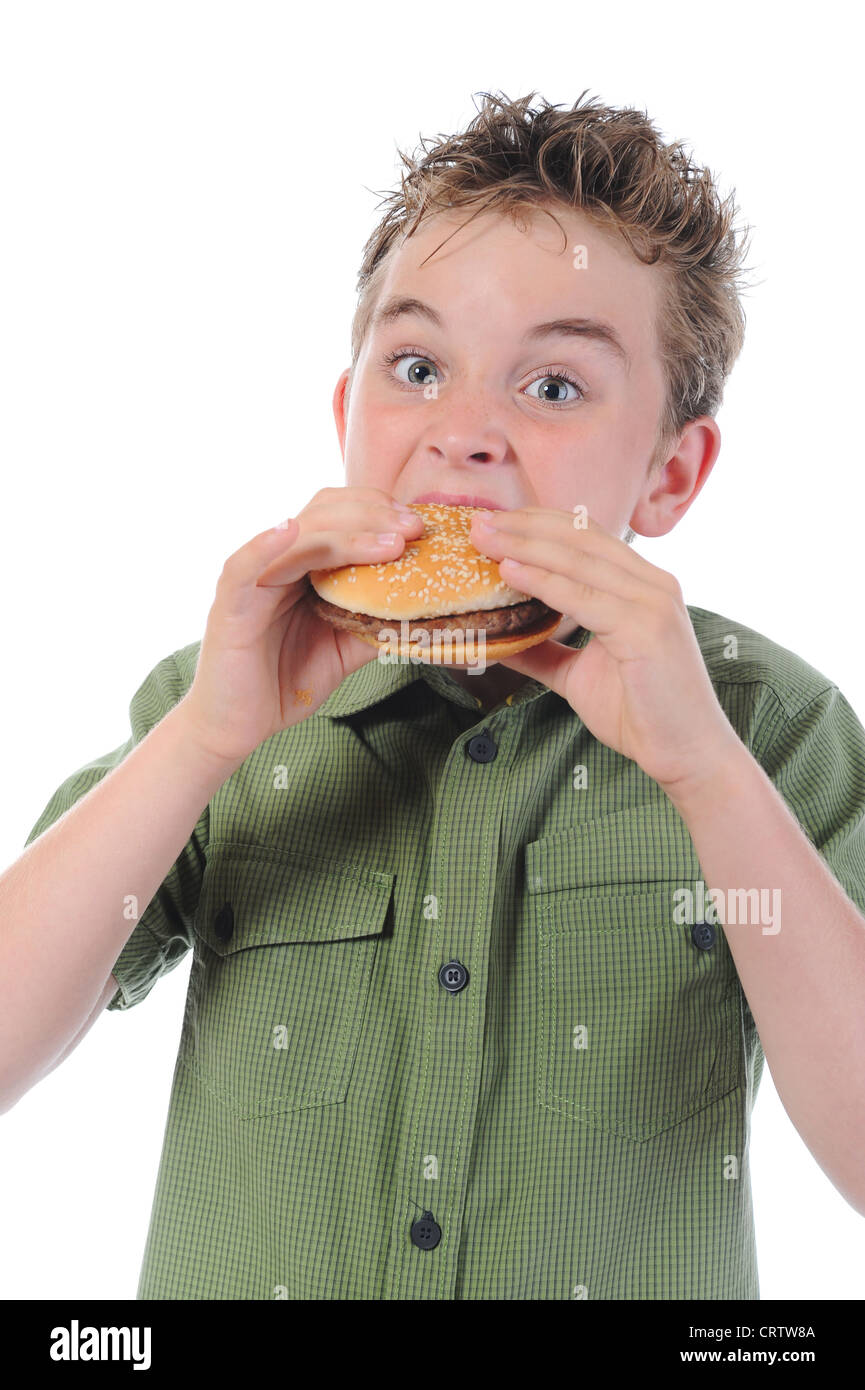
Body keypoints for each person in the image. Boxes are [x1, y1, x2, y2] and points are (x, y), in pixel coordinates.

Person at [4, 89, 865, 1300]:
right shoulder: (225, 698)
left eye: (553, 387)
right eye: (418, 367)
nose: (464, 433)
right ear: (351, 414)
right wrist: (204, 738)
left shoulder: (767, 726)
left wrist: (707, 776)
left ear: (670, 472)